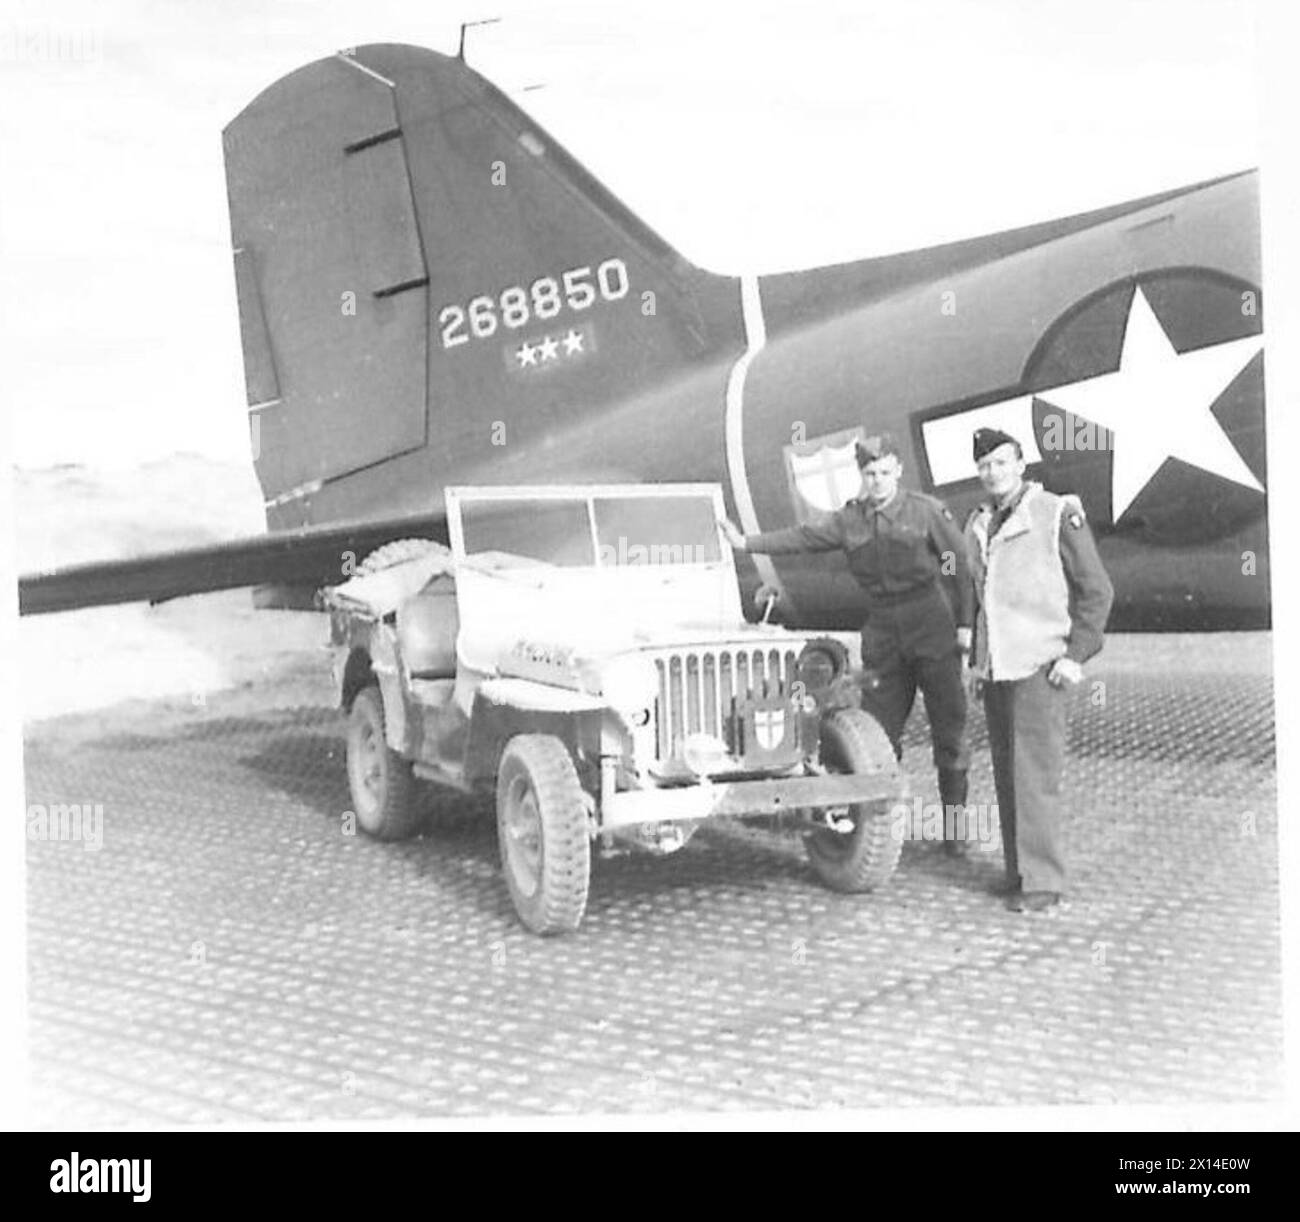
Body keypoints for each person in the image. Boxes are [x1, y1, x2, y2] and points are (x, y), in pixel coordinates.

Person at [720, 433, 974, 852]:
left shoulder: (926, 513)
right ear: (862, 475)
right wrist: (746, 543)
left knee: (950, 733)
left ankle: (955, 833)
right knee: (877, 736)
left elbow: (958, 567)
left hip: (931, 623)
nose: (877, 481)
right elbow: (803, 538)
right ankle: (879, 833)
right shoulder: (849, 520)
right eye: (870, 473)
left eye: (884, 473)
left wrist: (965, 625)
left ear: (898, 471)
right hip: (883, 631)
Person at [963, 427, 1114, 912]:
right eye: (985, 466)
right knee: (1008, 774)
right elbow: (979, 600)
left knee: (1035, 777)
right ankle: (1020, 873)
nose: (993, 473)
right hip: (998, 668)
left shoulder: (1054, 513)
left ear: (1021, 464)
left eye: (1001, 463)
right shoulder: (979, 522)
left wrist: (1076, 656)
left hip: (1040, 666)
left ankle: (1044, 885)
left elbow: (1097, 590)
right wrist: (975, 664)